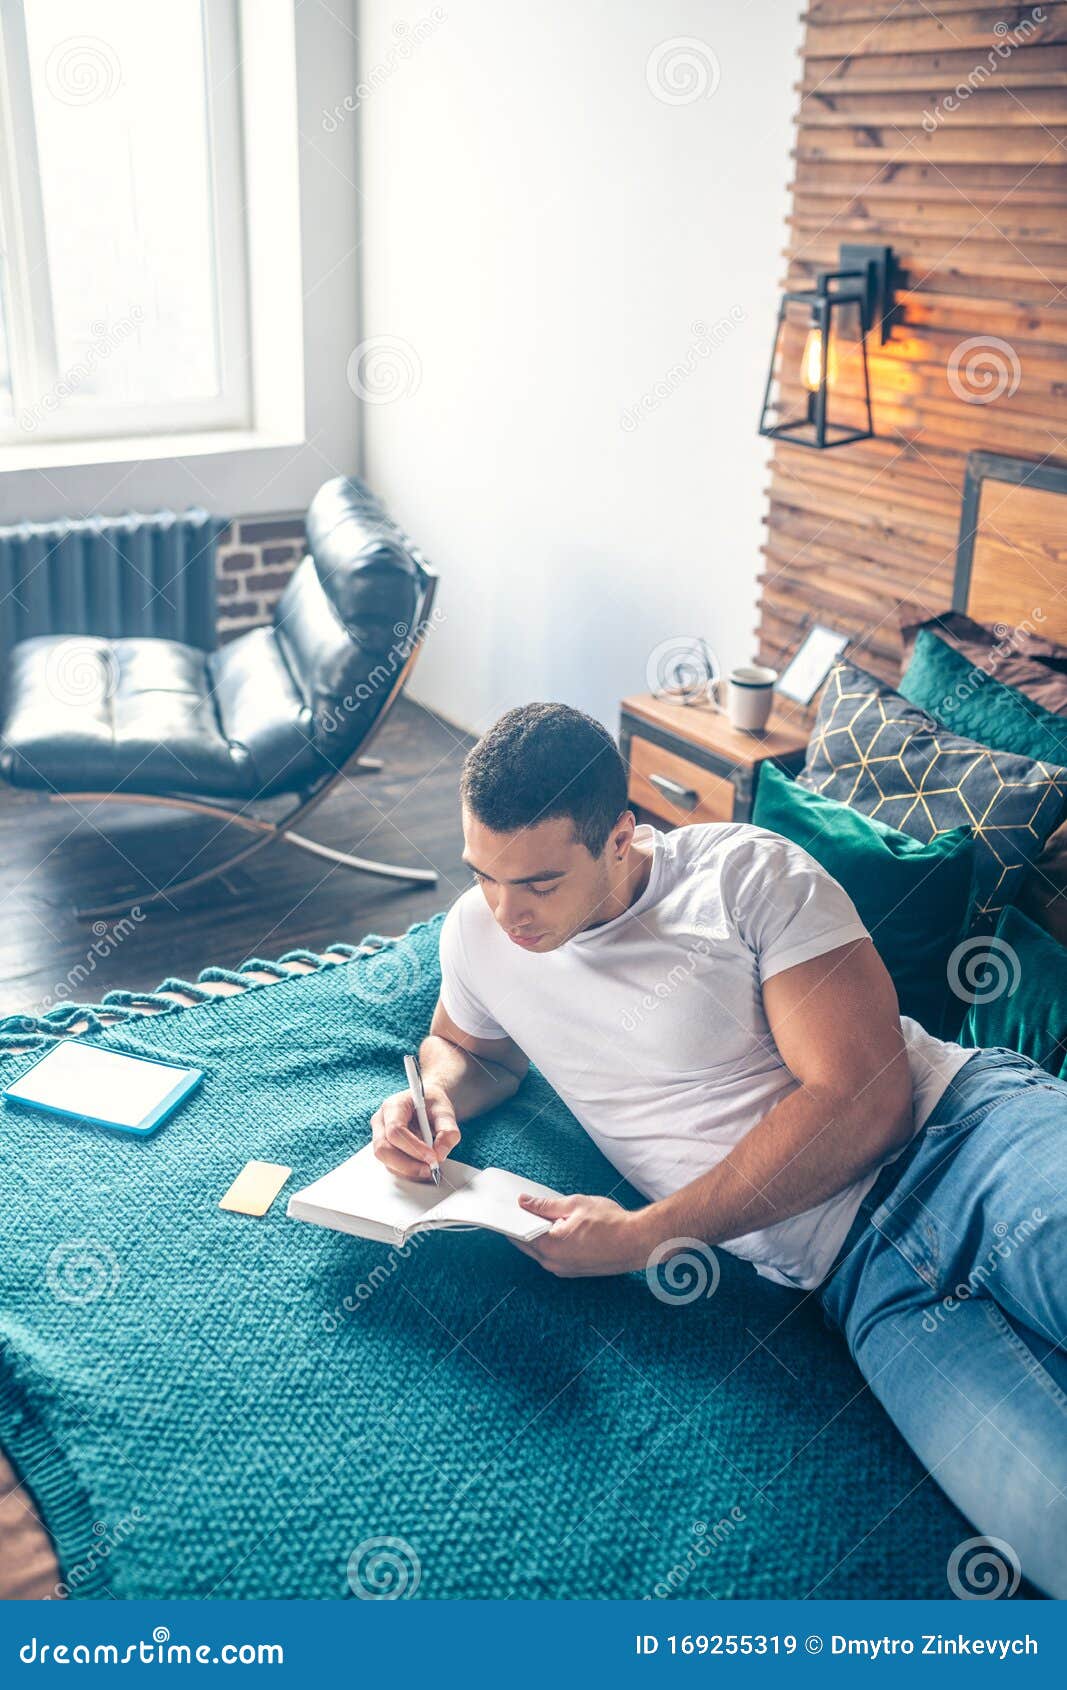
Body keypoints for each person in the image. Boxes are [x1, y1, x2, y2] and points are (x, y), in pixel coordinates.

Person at [370, 701, 1067, 1598]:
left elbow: (867, 1102)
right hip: (860, 1283)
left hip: (968, 1146)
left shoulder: (744, 873)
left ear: (619, 837)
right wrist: (430, 1098)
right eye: (483, 876)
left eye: (538, 883)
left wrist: (643, 1234)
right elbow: (471, 1052)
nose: (505, 912)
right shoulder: (477, 932)